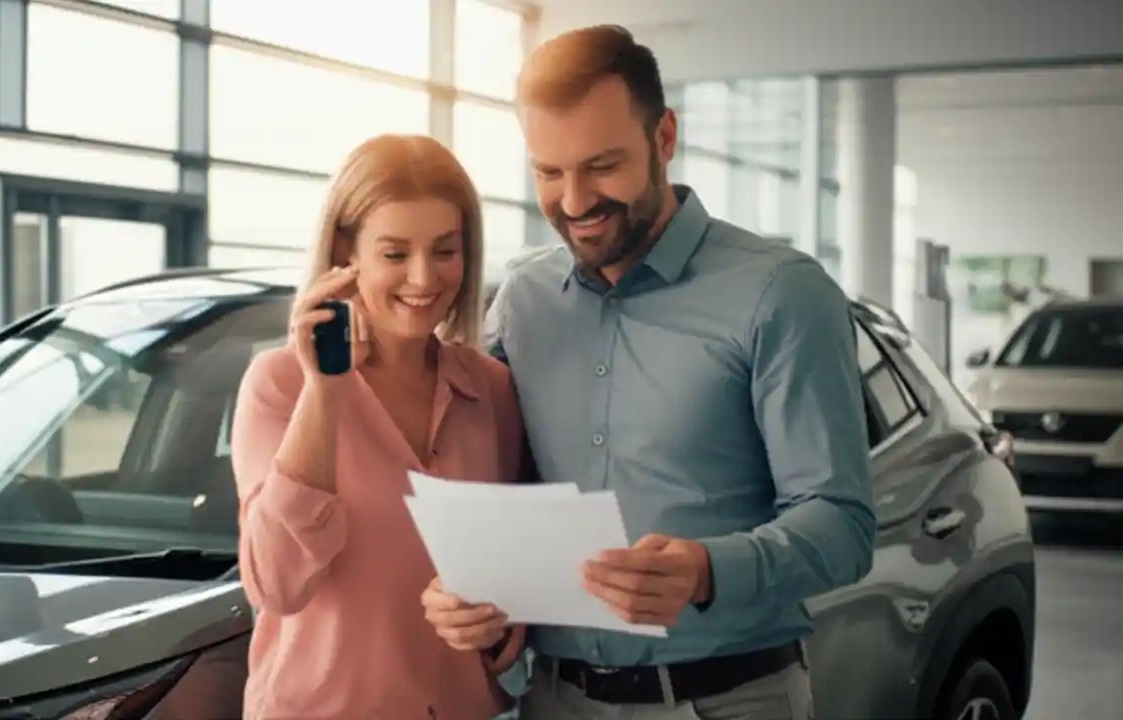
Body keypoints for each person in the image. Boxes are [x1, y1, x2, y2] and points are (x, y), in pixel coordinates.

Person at [421, 25, 877, 720]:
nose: (574, 202)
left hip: (729, 700)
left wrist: (705, 571)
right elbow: (497, 486)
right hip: (555, 699)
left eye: (602, 165)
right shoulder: (522, 302)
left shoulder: (781, 292)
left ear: (664, 137)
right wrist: (470, 593)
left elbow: (842, 525)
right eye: (548, 172)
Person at [230, 134, 527, 720]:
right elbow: (277, 586)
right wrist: (325, 391)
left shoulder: (491, 390)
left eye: (445, 251)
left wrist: (498, 624)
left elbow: (512, 575)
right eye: (395, 254)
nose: (423, 279)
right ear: (347, 251)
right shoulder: (279, 386)